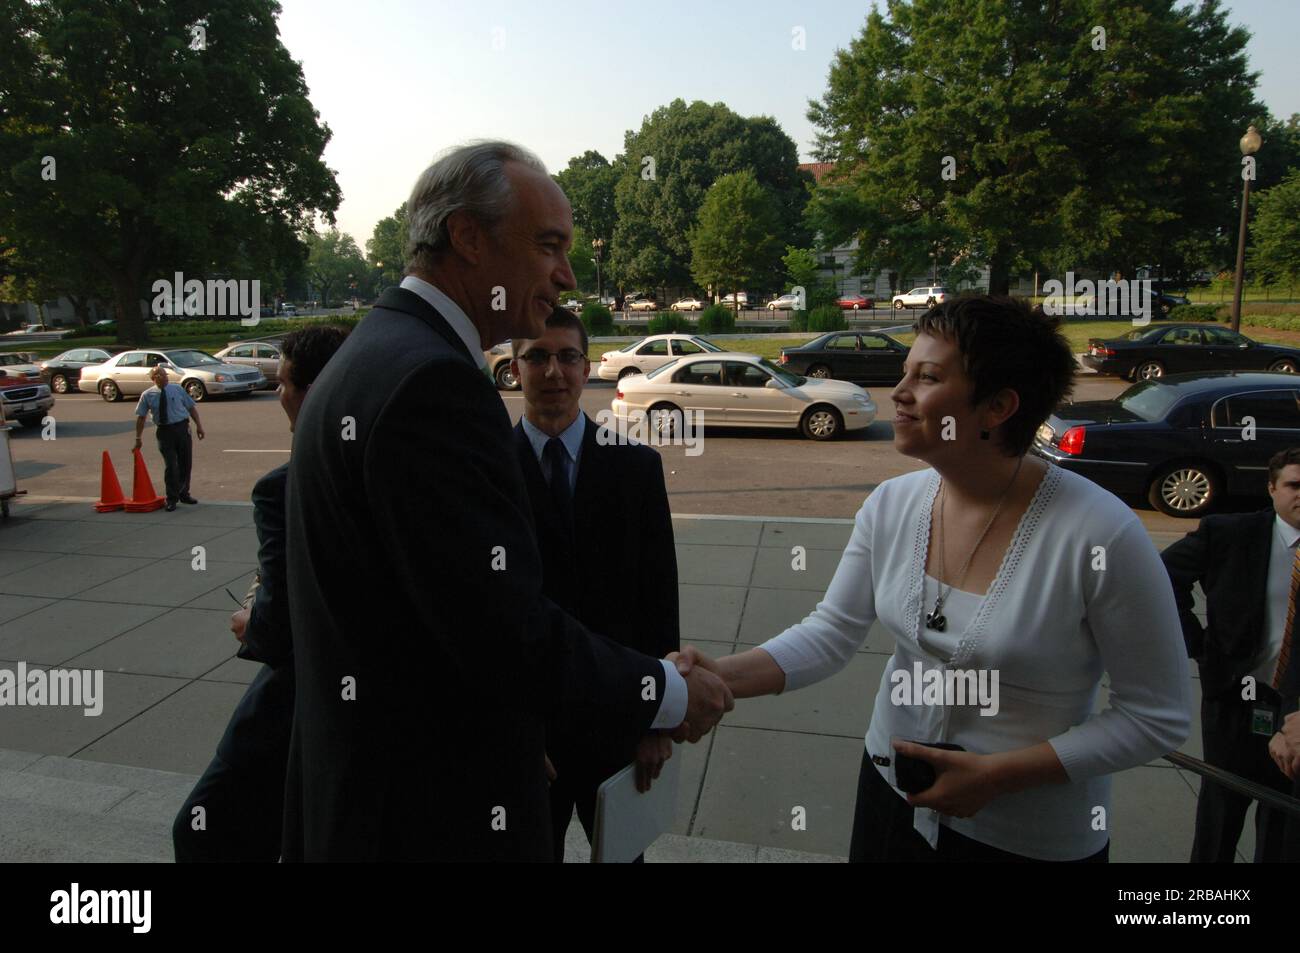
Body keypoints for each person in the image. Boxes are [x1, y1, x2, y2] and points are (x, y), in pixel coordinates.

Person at [281, 140, 732, 862]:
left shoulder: (378, 352)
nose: (567, 274)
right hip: (429, 821)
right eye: (549, 245)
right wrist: (666, 694)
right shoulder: (435, 383)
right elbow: (499, 627)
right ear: (467, 236)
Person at [674, 294, 1191, 862]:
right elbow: (831, 632)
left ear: (997, 408)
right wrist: (715, 677)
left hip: (1027, 837)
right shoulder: (894, 504)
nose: (898, 394)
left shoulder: (1102, 534)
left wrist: (998, 776)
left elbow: (1155, 716)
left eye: (927, 377)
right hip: (890, 798)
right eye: (904, 373)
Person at [172, 326, 349, 862]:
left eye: (285, 383)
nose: (278, 394)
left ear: (310, 392)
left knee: (204, 828)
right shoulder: (390, 473)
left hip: (298, 703)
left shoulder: (282, 489)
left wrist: (251, 619)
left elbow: (276, 631)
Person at [510, 306, 678, 862]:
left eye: (567, 356)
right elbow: (476, 616)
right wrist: (509, 729)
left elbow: (658, 602)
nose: (553, 371)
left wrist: (658, 719)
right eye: (537, 356)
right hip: (529, 730)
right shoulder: (487, 473)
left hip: (617, 721)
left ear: (587, 369)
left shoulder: (637, 468)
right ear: (514, 368)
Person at [1163, 448, 1300, 862]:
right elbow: (1161, 579)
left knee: (1282, 817)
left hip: (1294, 709)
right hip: (1236, 698)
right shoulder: (1229, 533)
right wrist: (1200, 646)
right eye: (1295, 485)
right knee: (1221, 810)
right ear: (1272, 487)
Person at [133, 365, 203, 511]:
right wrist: (138, 438)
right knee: (171, 466)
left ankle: (184, 493)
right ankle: (171, 498)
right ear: (153, 379)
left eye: (165, 375)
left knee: (185, 463)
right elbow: (141, 417)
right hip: (164, 432)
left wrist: (199, 426)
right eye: (160, 375)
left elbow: (191, 407)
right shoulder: (147, 395)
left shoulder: (177, 389)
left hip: (182, 428)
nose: (164, 377)